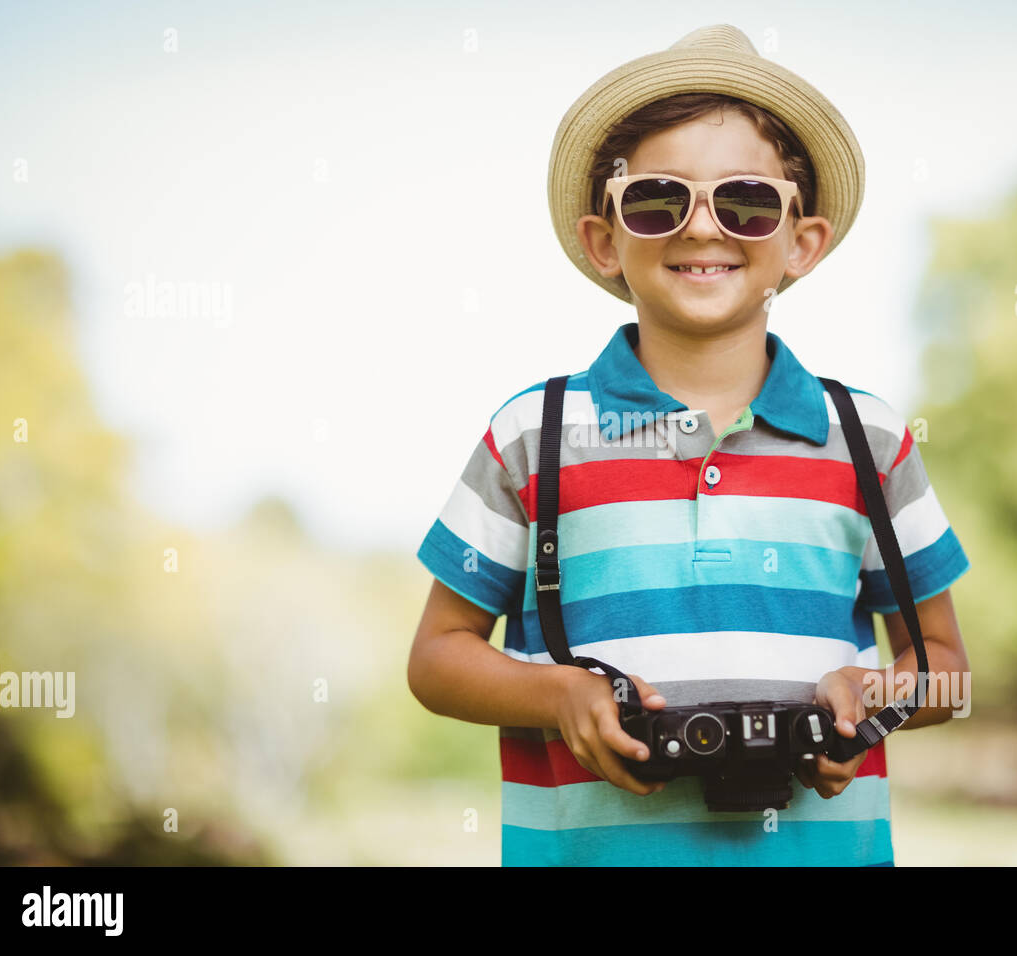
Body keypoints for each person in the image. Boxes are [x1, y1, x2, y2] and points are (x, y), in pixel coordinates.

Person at [409, 24, 971, 866]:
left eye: (745, 202)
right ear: (607, 240)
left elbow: (947, 669)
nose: (702, 229)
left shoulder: (872, 439)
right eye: (658, 201)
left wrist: (871, 700)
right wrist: (560, 695)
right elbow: (436, 660)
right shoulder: (535, 434)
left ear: (799, 243)